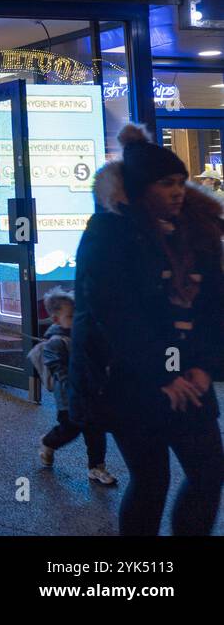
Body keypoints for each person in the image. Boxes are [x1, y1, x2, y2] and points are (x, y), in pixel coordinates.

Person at [71, 124, 224, 536]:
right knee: (151, 479)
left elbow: (215, 306)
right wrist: (162, 374)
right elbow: (114, 314)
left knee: (209, 473)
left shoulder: (201, 231)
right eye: (165, 183)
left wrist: (205, 367)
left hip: (191, 374)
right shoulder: (110, 232)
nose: (177, 191)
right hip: (128, 380)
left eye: (180, 182)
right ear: (139, 189)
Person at [32, 288, 117, 485]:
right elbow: (56, 367)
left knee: (96, 430)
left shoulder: (83, 335)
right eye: (70, 316)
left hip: (91, 394)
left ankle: (96, 467)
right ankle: (48, 442)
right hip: (69, 399)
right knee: (70, 429)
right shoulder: (56, 342)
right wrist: (73, 385)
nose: (76, 319)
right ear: (56, 320)